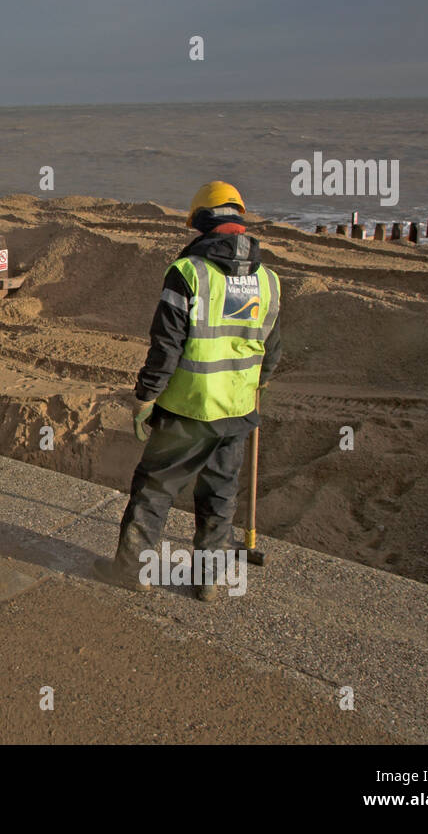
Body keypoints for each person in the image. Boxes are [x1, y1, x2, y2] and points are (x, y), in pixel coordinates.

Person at [94, 181, 282, 601]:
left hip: (187, 410)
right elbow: (271, 350)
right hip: (236, 411)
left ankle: (131, 571)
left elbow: (167, 345)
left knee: (155, 489)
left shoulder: (188, 273)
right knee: (219, 493)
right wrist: (257, 386)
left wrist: (145, 396)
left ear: (200, 221)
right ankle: (210, 581)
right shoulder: (268, 279)